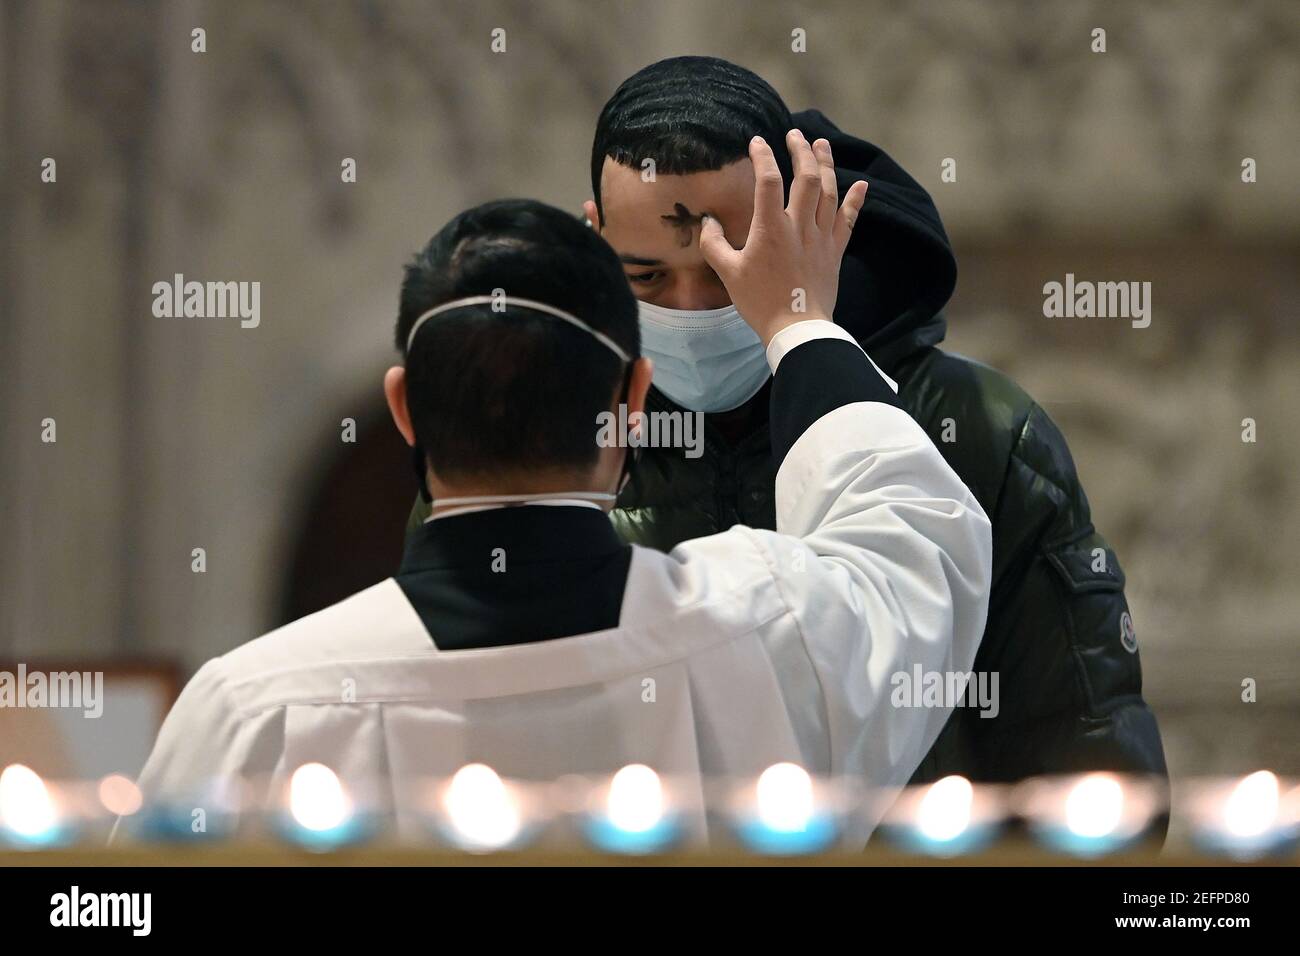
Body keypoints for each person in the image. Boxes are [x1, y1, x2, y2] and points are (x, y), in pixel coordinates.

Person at [128, 134, 991, 842]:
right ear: (631, 405)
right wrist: (800, 322)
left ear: (404, 410)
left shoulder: (251, 713)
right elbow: (919, 536)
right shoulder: (769, 633)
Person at [410, 55, 1165, 785]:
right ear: (594, 244)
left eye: (733, 267)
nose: (693, 308)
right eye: (646, 276)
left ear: (811, 223)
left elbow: (1088, 767)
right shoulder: (533, 447)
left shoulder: (973, 431)